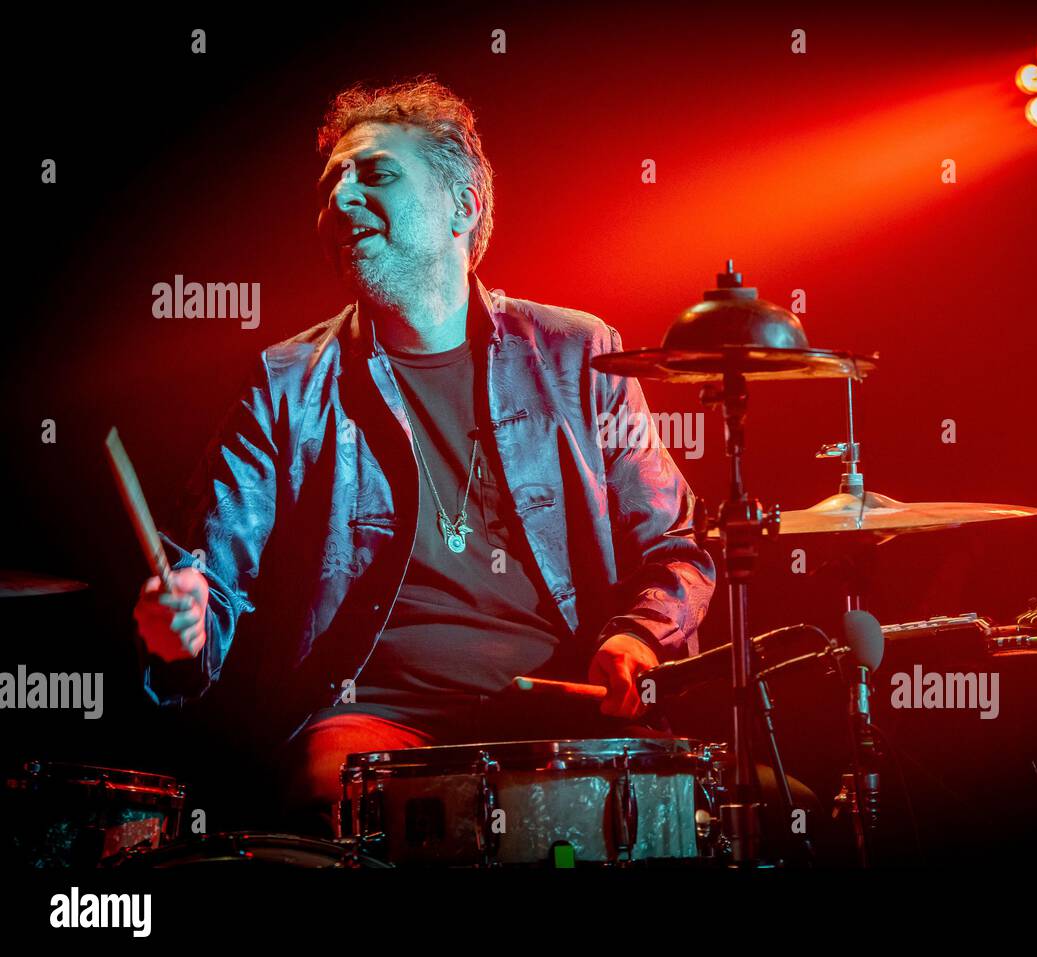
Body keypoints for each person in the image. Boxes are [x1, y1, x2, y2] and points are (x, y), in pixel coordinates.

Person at [132, 76, 715, 831]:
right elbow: (213, 577)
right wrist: (182, 622)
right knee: (333, 796)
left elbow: (677, 545)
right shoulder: (287, 381)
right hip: (372, 723)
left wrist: (638, 634)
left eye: (374, 174)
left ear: (463, 206)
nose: (339, 200)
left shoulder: (579, 353)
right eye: (329, 185)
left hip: (561, 711)